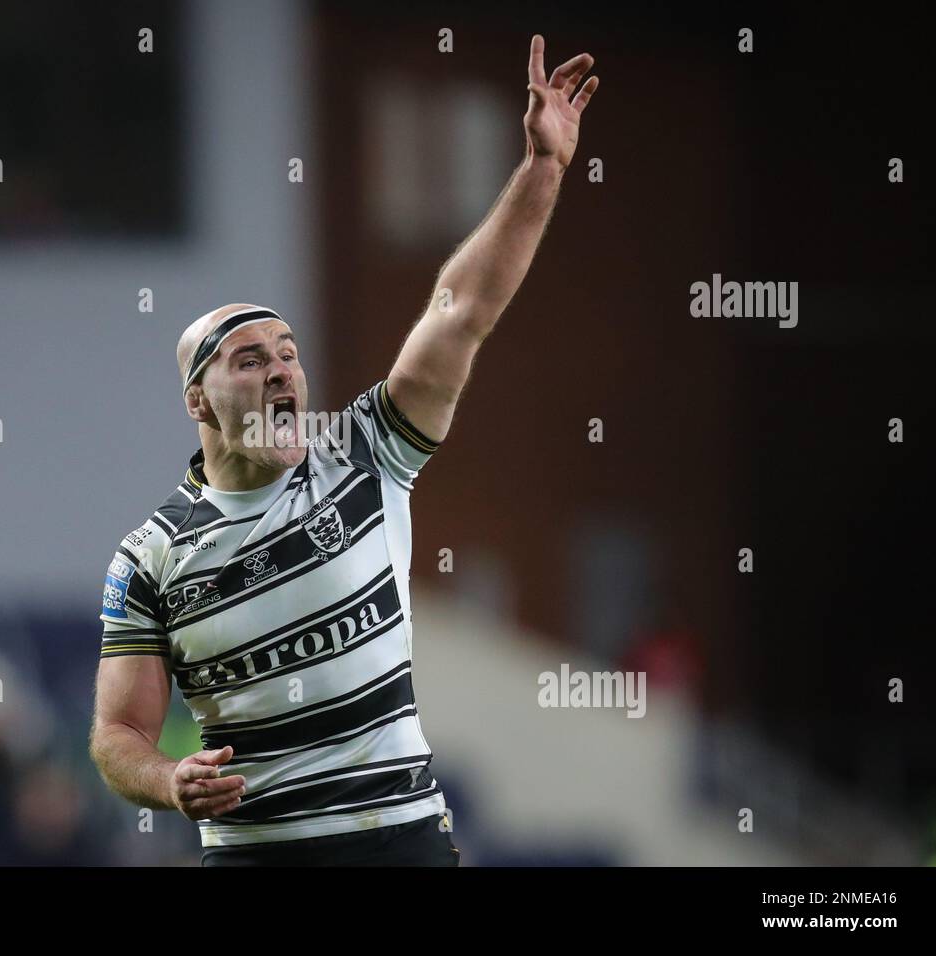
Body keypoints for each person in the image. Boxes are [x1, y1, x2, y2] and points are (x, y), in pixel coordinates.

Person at [89, 34, 598, 866]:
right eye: (249, 359)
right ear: (196, 401)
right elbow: (116, 733)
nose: (282, 369)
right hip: (255, 853)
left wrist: (543, 168)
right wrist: (167, 778)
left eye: (289, 353)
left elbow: (459, 310)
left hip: (399, 842)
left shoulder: (362, 454)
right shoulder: (148, 559)